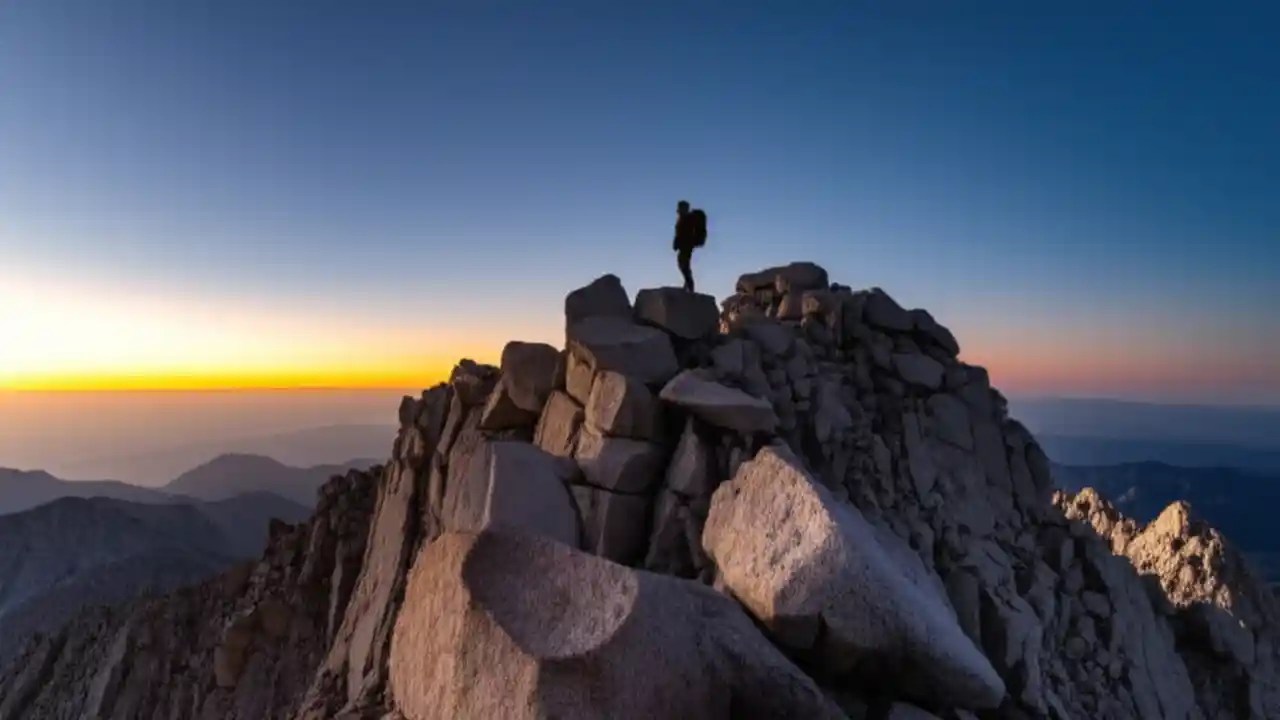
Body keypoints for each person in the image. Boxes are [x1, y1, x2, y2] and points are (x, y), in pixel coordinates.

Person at [672, 200, 707, 292]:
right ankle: (687, 284)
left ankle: (689, 286)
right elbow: (678, 233)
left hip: (686, 245)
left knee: (684, 265)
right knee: (683, 264)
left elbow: (683, 233)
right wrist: (676, 243)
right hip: (685, 245)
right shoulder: (682, 218)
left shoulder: (688, 218)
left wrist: (681, 242)